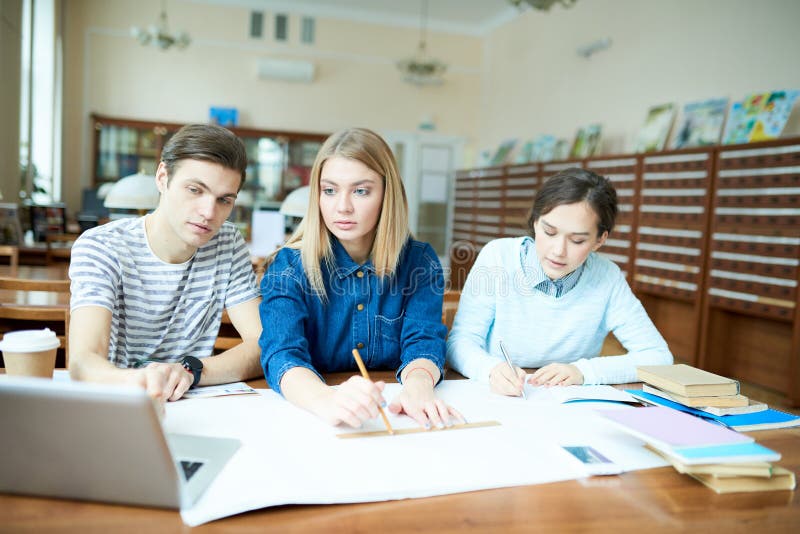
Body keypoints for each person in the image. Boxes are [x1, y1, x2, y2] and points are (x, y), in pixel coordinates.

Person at [259, 127, 461, 429]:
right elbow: (282, 353)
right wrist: (323, 400)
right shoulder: (288, 266)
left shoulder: (419, 261)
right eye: (330, 190)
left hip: (394, 415)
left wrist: (418, 388)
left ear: (386, 194)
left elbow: (424, 341)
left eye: (360, 191)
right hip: (314, 416)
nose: (342, 206)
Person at [69, 124, 263, 402]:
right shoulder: (102, 245)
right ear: (162, 177)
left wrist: (188, 372)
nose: (209, 213)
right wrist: (144, 381)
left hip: (193, 405)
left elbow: (261, 344)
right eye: (195, 190)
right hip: (118, 402)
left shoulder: (227, 242)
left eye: (224, 199)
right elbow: (82, 361)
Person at [446, 167, 672, 396]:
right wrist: (490, 370)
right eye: (549, 232)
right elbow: (459, 343)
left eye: (577, 240)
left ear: (599, 240)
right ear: (535, 222)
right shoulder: (499, 256)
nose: (558, 251)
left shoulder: (607, 277)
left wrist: (584, 371)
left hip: (569, 405)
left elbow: (658, 357)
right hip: (498, 397)